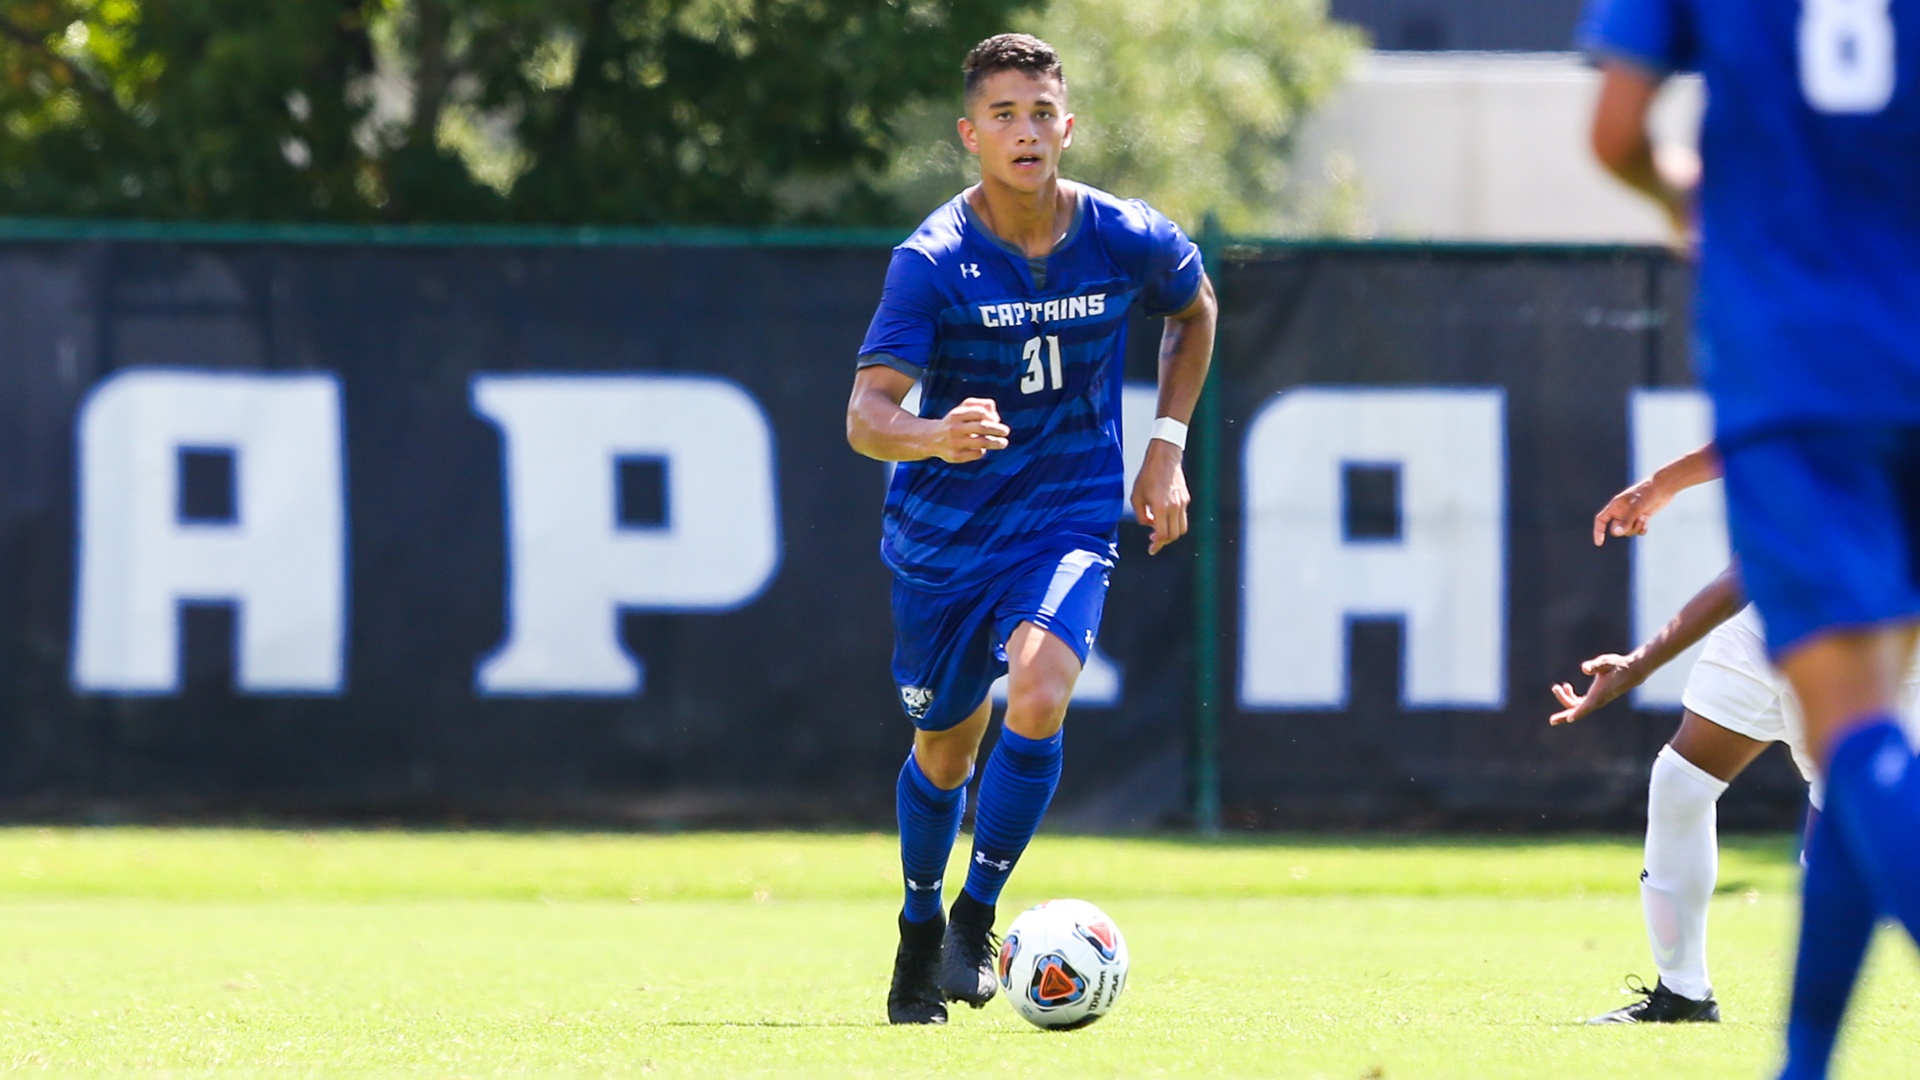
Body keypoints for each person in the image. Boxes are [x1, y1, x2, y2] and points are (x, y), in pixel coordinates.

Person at [845, 33, 1216, 1025]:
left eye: (1041, 113)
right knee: (944, 753)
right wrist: (936, 432)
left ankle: (978, 912)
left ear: (1068, 126)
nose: (1026, 131)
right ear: (972, 136)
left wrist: (1166, 445)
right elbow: (865, 416)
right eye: (1003, 116)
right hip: (944, 540)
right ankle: (920, 927)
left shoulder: (1122, 235)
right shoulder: (931, 262)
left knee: (1044, 685)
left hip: (1066, 517)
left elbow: (1196, 306)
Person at [1581, 0, 1920, 1073]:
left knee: (1857, 764)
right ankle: (1779, 1046)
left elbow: (1617, 132)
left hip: (1797, 354)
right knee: (1830, 766)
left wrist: (1697, 206)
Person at [1555, 445, 1920, 1024]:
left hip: (1874, 644)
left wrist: (1641, 664)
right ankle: (1682, 995)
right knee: (1680, 782)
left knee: (1845, 852)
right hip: (1772, 622)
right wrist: (1661, 483)